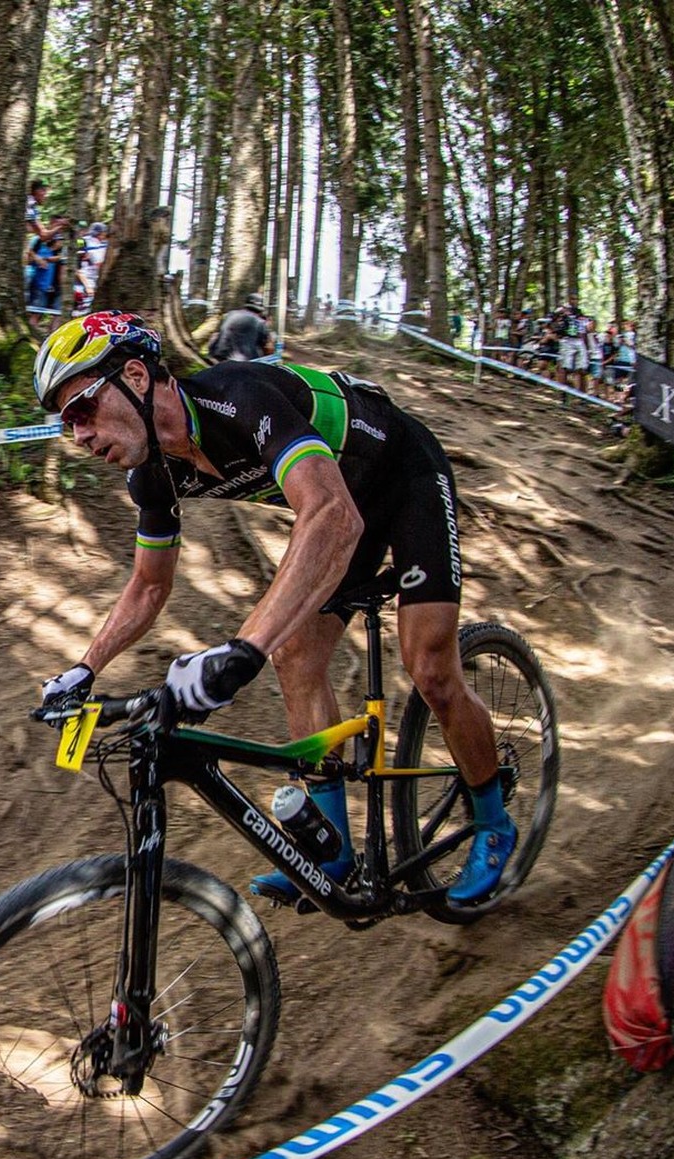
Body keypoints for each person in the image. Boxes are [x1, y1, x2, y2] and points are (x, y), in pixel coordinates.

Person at [34, 311, 515, 907]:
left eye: (82, 408)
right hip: (341, 506)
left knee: (431, 668)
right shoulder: (153, 474)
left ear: (136, 376)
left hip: (404, 475)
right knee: (296, 655)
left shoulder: (239, 398)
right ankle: (333, 848)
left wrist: (243, 650)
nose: (79, 435)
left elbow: (330, 514)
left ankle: (494, 822)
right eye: (66, 423)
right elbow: (149, 585)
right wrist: (86, 667)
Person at [207, 293, 276, 362]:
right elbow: (268, 348)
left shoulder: (229, 315)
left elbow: (215, 336)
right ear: (261, 310)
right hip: (242, 362)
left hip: (217, 358)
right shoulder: (260, 323)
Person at [76, 222, 108, 309]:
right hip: (86, 277)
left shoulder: (103, 243)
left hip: (94, 277)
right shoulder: (84, 241)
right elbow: (97, 262)